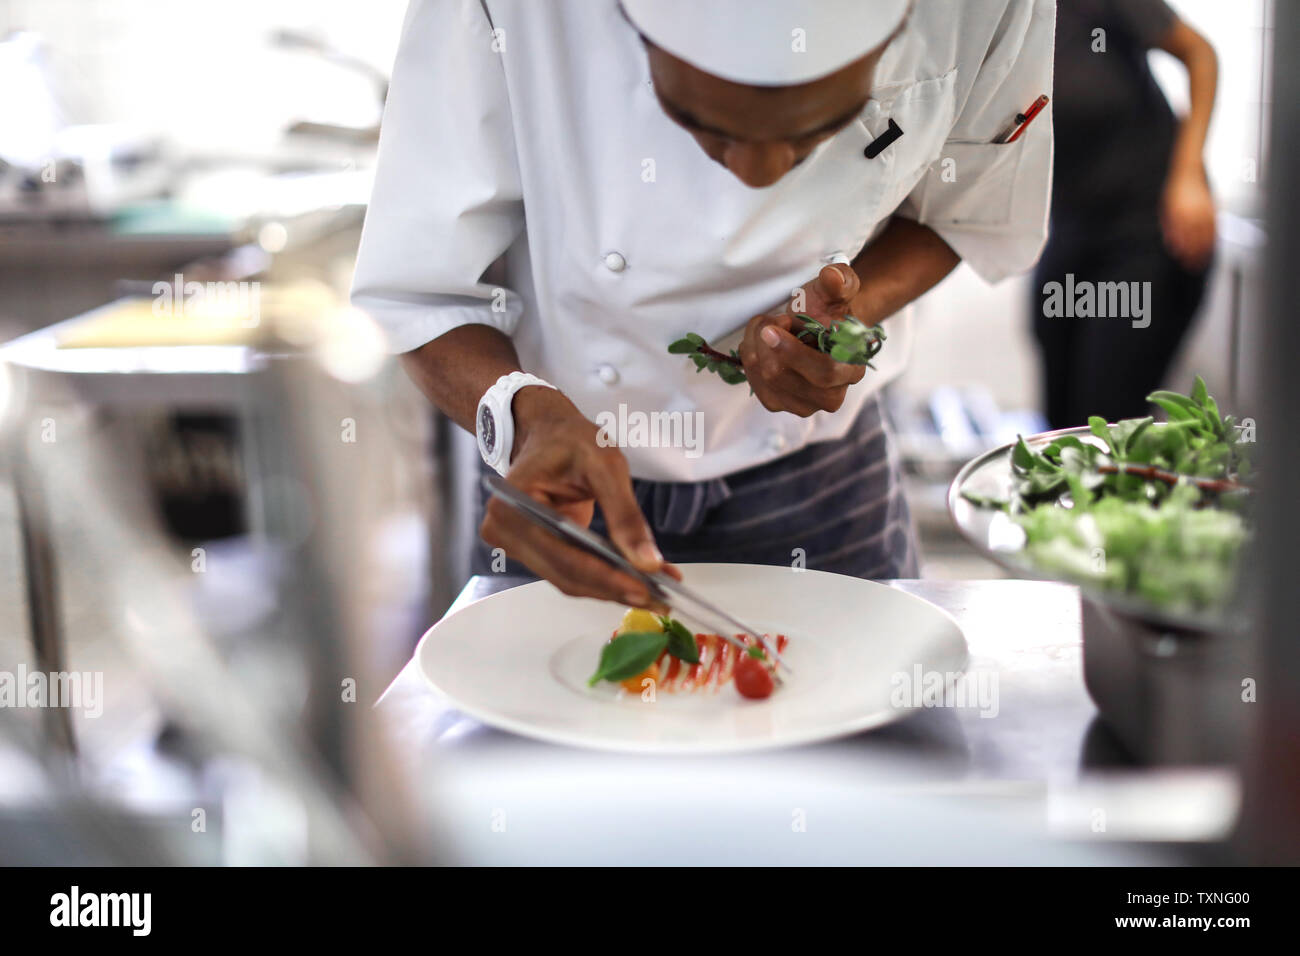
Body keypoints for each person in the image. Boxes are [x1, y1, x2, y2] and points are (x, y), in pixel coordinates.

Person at [353, 0, 1055, 611]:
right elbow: (420, 292)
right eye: (700, 122)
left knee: (867, 756)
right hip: (561, 487)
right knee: (550, 757)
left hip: (825, 488)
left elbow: (967, 212)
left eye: (822, 129)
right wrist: (521, 416)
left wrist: (842, 316)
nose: (759, 177)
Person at [1033, 0, 1219, 429]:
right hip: (1071, 228)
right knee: (1060, 431)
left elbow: (1201, 53)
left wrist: (1189, 175)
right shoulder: (998, 25)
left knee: (1106, 420)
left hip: (1146, 233)